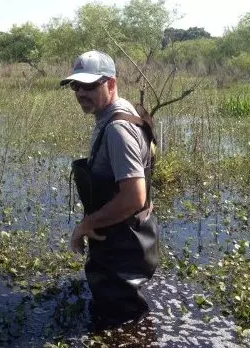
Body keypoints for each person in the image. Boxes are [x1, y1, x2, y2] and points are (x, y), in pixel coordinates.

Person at [60, 50, 159, 329]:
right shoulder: (121, 110)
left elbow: (134, 196)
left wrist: (86, 224)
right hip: (126, 237)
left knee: (121, 323)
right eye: (75, 85)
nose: (80, 92)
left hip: (123, 246)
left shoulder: (117, 129)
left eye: (90, 85)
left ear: (111, 84)